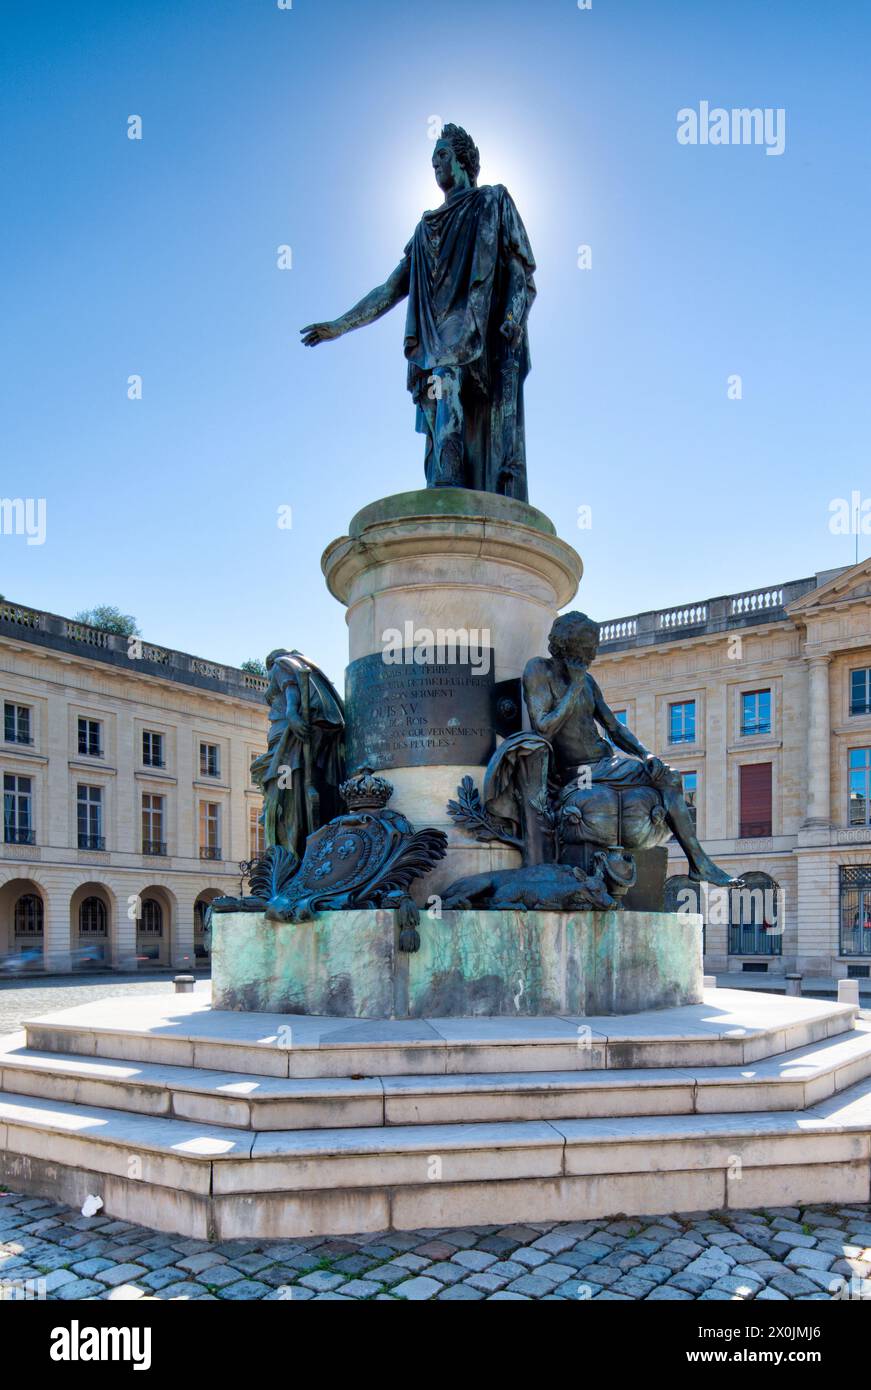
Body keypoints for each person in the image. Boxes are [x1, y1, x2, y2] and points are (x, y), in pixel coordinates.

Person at [301, 124, 536, 498]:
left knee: (446, 377)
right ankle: (444, 493)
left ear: (463, 161)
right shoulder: (426, 227)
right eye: (432, 159)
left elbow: (518, 269)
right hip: (431, 336)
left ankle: (448, 490)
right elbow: (391, 287)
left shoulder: (492, 201)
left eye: (442, 155)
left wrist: (512, 316)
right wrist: (340, 325)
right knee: (436, 406)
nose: (435, 164)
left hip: (471, 331)